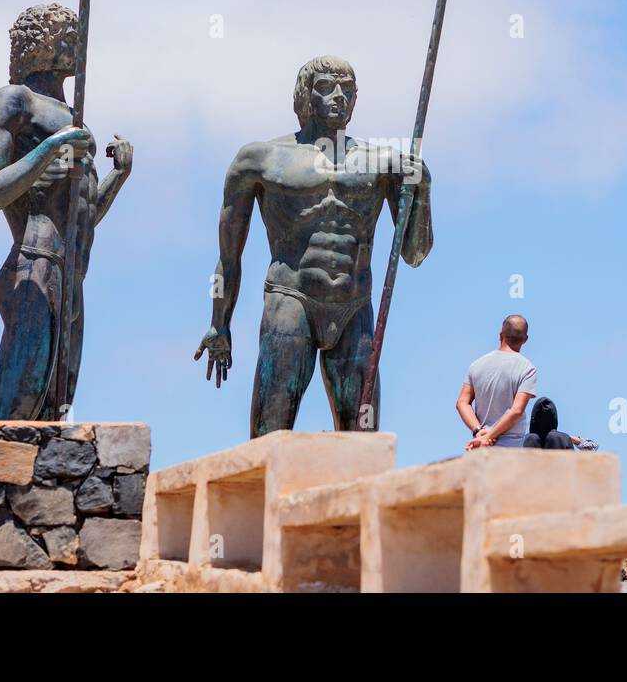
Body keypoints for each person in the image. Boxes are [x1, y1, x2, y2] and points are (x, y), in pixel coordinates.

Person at [194, 55, 433, 437]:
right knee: (271, 430)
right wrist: (219, 324)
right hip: (291, 299)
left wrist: (422, 191)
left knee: (363, 436)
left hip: (355, 306)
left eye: (348, 90)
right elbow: (228, 255)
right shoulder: (260, 159)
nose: (339, 96)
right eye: (326, 87)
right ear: (304, 96)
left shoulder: (382, 162)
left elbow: (414, 254)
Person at [0, 3, 134, 420]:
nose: (76, 42)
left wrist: (119, 175)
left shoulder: (70, 115)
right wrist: (48, 150)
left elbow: (82, 215)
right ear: (39, 45)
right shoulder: (15, 100)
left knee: (56, 411)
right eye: (66, 34)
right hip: (34, 268)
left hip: (71, 275)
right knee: (19, 405)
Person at [457, 315, 538, 449]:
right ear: (525, 339)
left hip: (480, 444)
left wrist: (478, 431)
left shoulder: (477, 365)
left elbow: (462, 402)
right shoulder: (527, 368)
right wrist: (488, 436)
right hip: (511, 446)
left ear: (501, 334)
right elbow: (517, 410)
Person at [522, 397, 595, 450]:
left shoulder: (524, 440)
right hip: (560, 469)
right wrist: (566, 437)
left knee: (530, 438)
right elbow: (592, 446)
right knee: (557, 437)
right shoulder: (563, 438)